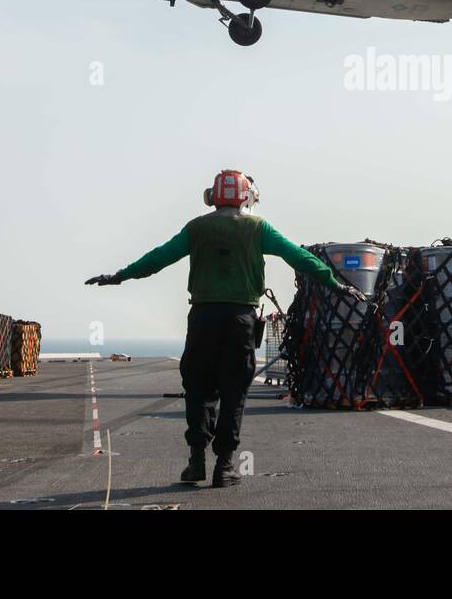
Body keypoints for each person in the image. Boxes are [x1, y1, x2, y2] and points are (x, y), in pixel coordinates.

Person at [85, 170, 355, 488]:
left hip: (202, 319)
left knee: (198, 390)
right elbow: (298, 257)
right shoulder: (257, 228)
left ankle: (196, 461)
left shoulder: (197, 228)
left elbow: (157, 258)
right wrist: (334, 284)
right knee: (233, 393)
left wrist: (119, 275)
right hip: (240, 321)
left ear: (211, 197)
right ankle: (225, 466)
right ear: (246, 196)